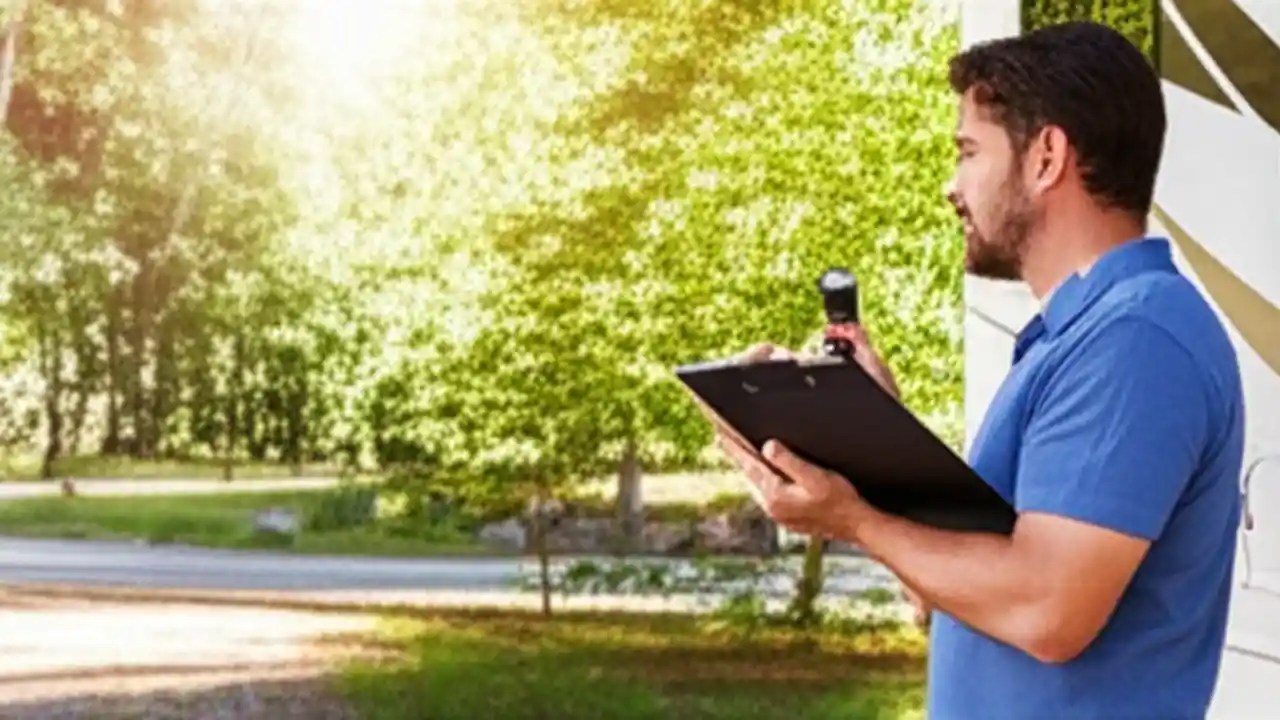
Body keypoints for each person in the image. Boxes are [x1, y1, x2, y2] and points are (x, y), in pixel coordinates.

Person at [714, 21, 1246, 720]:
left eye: (968, 151)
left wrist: (852, 520)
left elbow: (1047, 610)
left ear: (1047, 155)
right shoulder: (1072, 340)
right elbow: (949, 597)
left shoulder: (1136, 341)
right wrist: (875, 441)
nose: (951, 185)